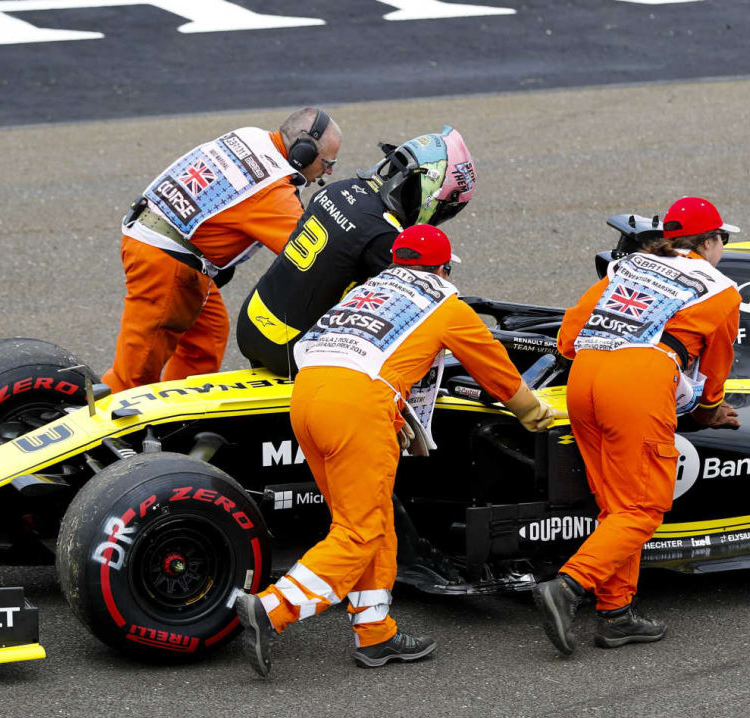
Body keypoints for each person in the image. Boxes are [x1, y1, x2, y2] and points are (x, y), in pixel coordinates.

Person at [234, 225, 562, 677]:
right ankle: (272, 609)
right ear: (443, 268)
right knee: (360, 531)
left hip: (307, 399)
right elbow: (494, 368)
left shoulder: (367, 290)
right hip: (357, 407)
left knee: (370, 519)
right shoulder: (445, 302)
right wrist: (530, 411)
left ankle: (376, 633)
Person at [532, 197, 743, 655]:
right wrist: (711, 412)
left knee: (616, 506)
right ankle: (568, 587)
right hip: (638, 381)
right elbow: (714, 376)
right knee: (643, 507)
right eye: (722, 239)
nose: (722, 248)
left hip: (584, 377)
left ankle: (617, 614)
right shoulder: (722, 290)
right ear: (709, 241)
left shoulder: (628, 266)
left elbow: (568, 337)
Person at [102, 107, 342, 392]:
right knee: (135, 374)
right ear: (302, 153)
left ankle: (181, 415)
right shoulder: (272, 190)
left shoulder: (250, 136)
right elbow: (313, 254)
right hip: (166, 264)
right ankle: (110, 430)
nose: (327, 172)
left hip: (160, 239)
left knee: (207, 335)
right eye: (327, 163)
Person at [236, 126, 475, 378]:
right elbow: (426, 308)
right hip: (289, 350)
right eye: (447, 207)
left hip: (252, 321)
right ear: (430, 191)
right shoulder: (385, 236)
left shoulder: (339, 188)